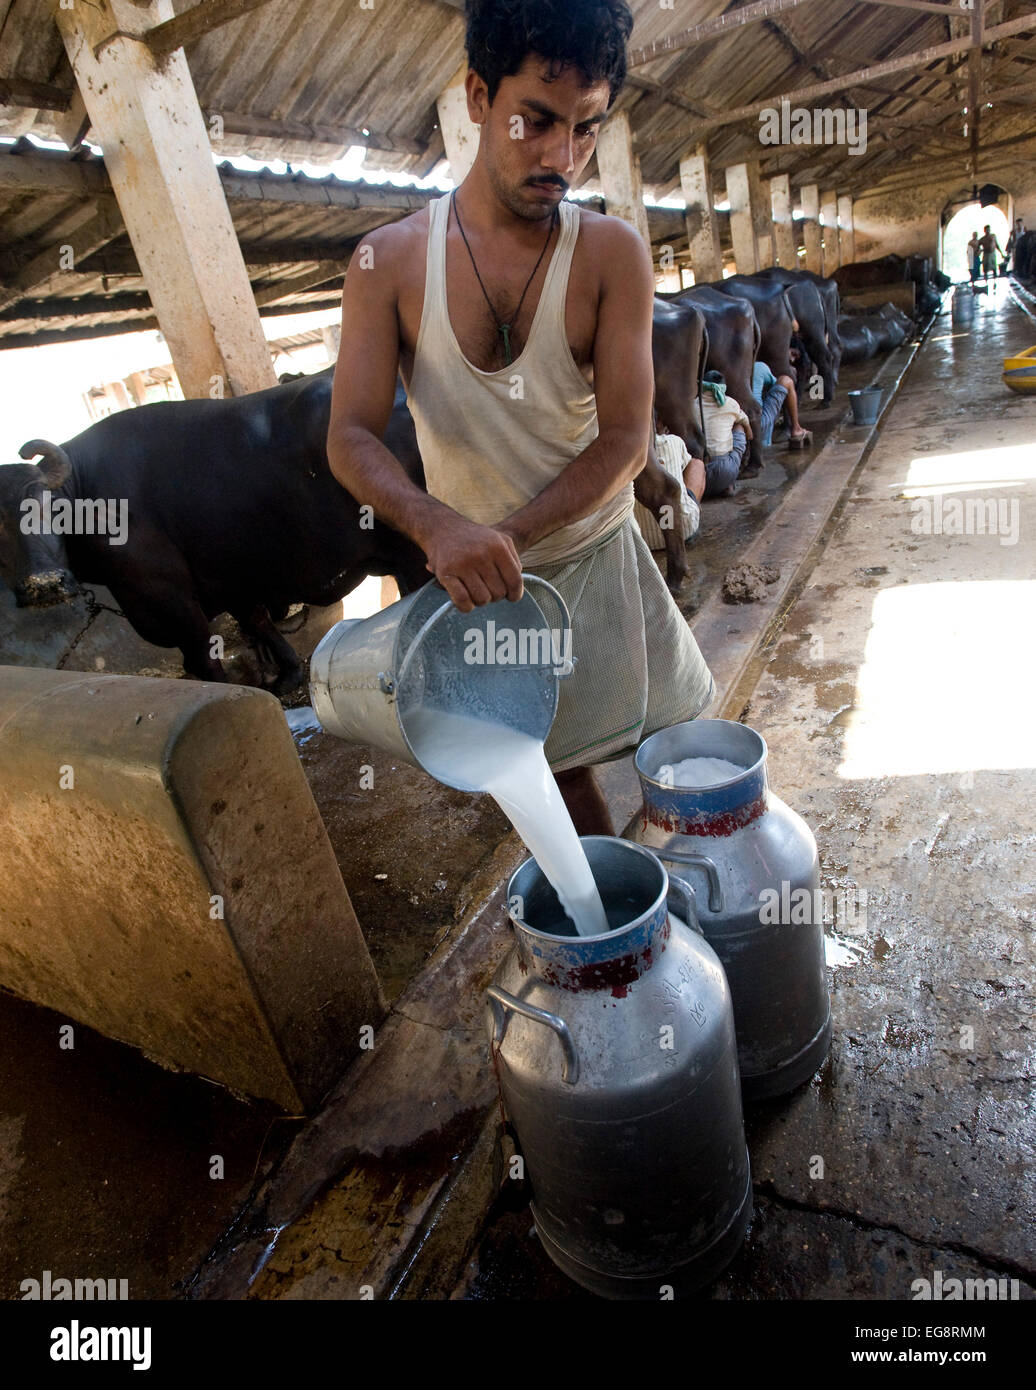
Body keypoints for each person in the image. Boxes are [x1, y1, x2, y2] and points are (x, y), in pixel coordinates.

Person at [325, 0, 714, 836]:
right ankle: (615, 928)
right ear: (476, 96)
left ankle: (691, 921)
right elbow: (350, 435)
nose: (560, 157)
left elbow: (623, 438)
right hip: (491, 589)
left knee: (686, 764)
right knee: (559, 781)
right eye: (533, 120)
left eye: (585, 129)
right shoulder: (385, 264)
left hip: (599, 557)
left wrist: (507, 532)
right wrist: (438, 528)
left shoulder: (611, 255)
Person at [633, 410, 704, 548]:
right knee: (697, 464)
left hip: (641, 542)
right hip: (683, 530)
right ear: (657, 423)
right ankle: (691, 510)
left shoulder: (618, 455)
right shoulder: (673, 441)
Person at [696, 370, 753, 498]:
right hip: (727, 471)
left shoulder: (694, 405)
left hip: (700, 474)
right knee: (739, 425)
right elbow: (749, 432)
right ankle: (729, 484)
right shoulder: (731, 403)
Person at [751, 359, 812, 450]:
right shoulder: (758, 367)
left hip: (735, 428)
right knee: (786, 381)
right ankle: (796, 428)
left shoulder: (727, 370)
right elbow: (778, 386)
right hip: (757, 425)